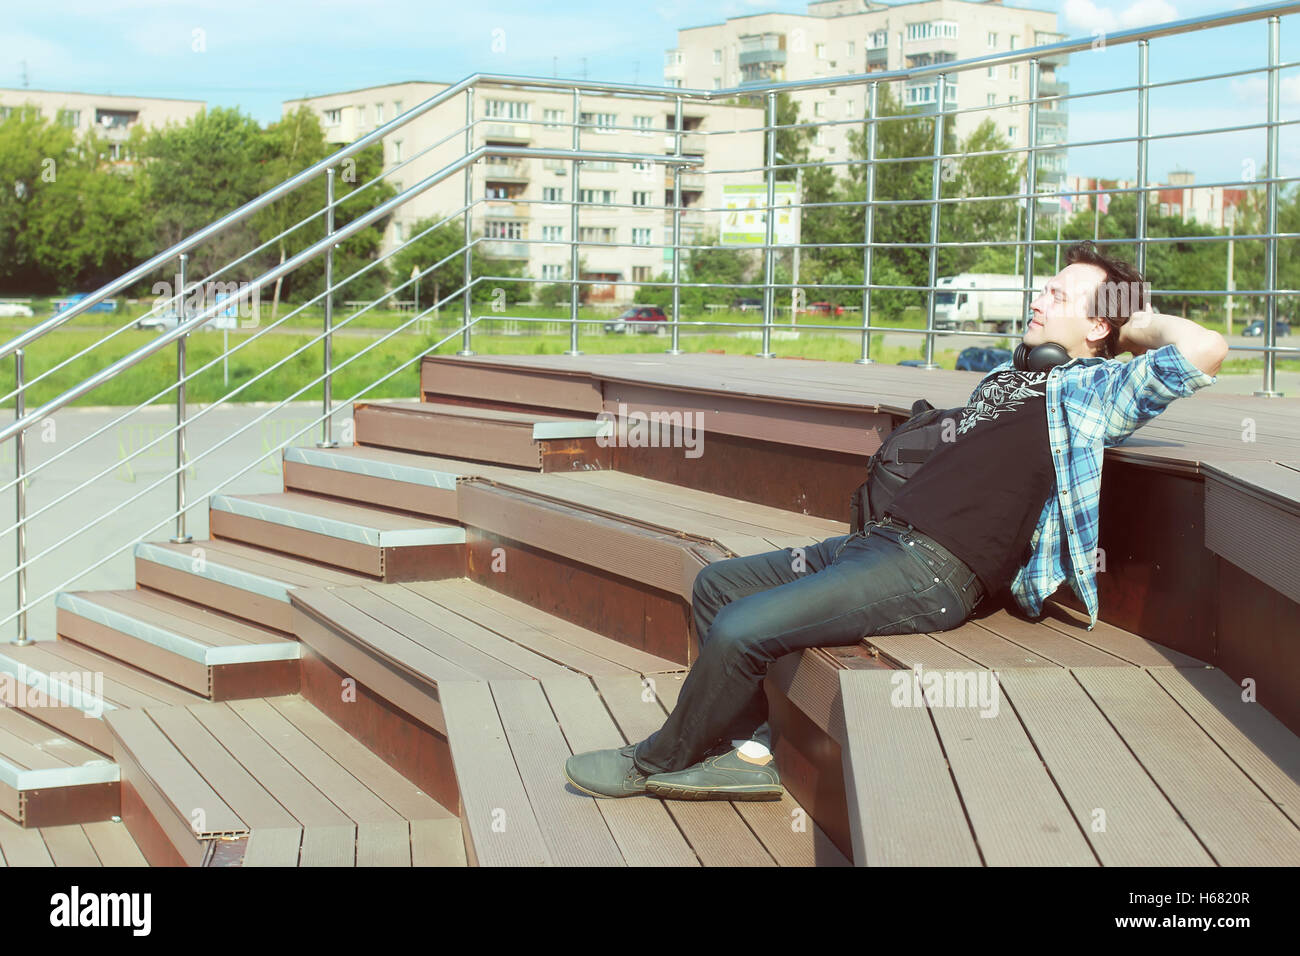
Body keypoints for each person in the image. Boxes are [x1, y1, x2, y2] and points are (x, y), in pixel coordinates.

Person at [564, 240, 1229, 801]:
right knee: (719, 587)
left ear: (1097, 327)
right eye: (1043, 289)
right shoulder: (1010, 376)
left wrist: (1137, 324)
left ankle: (654, 761)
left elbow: (1205, 349)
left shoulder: (1088, 395)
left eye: (1058, 296)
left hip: (933, 570)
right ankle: (755, 747)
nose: (1037, 299)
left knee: (741, 629)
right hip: (882, 545)